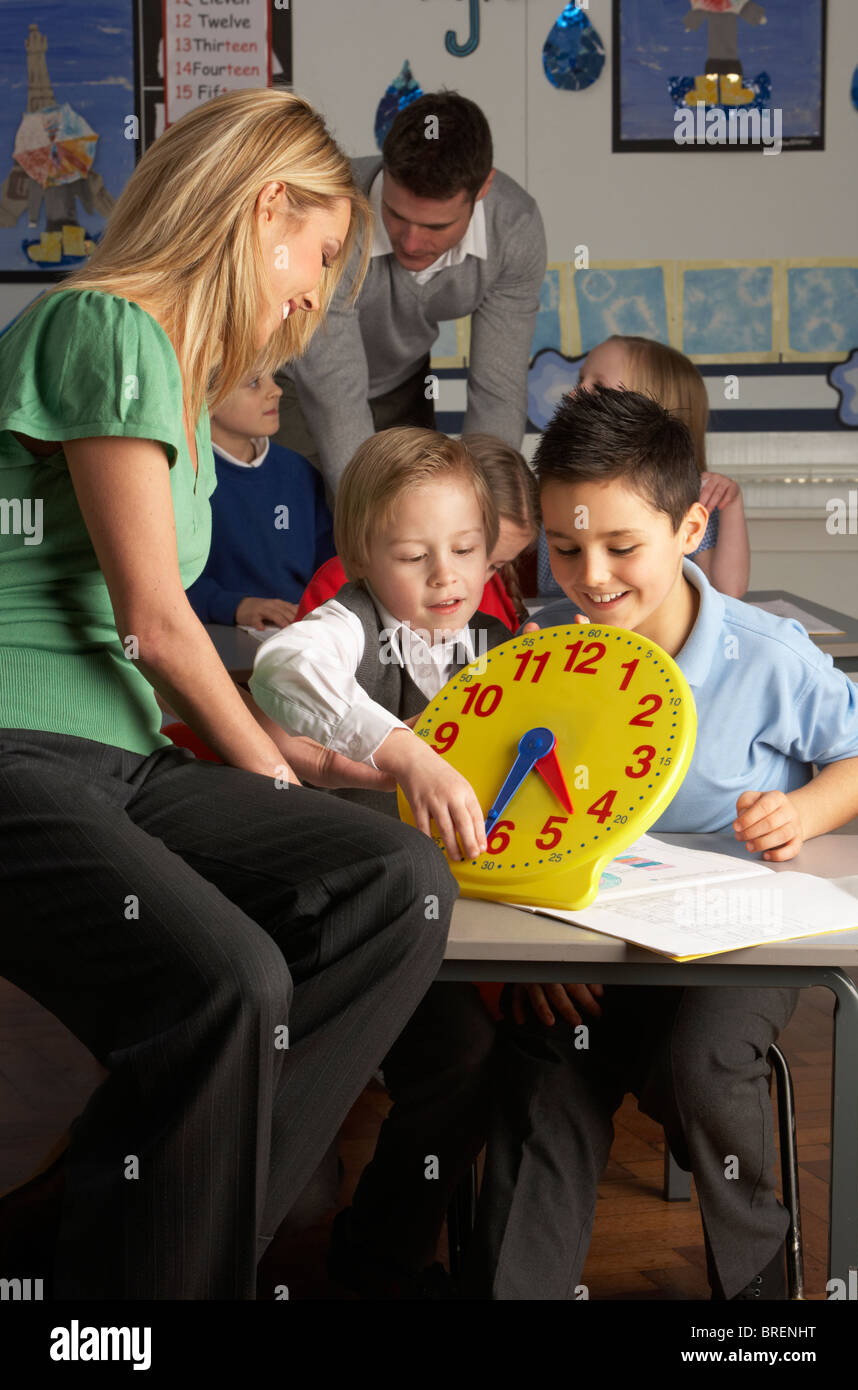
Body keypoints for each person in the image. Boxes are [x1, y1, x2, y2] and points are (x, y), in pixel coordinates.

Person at [0, 88, 458, 1301]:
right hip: (16, 751)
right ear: (265, 208)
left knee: (394, 883)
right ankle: (137, 1270)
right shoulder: (109, 325)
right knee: (228, 982)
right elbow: (155, 625)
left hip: (121, 761)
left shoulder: (182, 399)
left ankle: (118, 1236)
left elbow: (144, 649)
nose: (309, 300)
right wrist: (259, 759)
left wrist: (284, 759)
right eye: (313, 258)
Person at [465, 385, 858, 1301]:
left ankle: (761, 1306)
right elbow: (500, 822)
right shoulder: (542, 663)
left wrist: (803, 814)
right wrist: (536, 944)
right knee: (543, 1077)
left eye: (621, 546)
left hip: (733, 943)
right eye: (564, 550)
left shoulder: (766, 654)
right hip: (587, 944)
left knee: (701, 1068)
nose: (591, 575)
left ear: (690, 530)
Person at [249, 427, 511, 1295]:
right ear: (362, 555)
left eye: (468, 549)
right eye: (413, 555)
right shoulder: (346, 624)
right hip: (333, 939)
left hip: (448, 932)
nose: (447, 577)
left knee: (468, 1065)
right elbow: (282, 666)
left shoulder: (497, 642)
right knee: (288, 1195)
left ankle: (381, 1258)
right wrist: (400, 750)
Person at [274, 92, 547, 499]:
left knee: (427, 510)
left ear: (483, 188)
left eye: (436, 226)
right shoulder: (333, 213)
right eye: (397, 216)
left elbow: (497, 393)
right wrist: (369, 517)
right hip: (293, 377)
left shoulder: (514, 229)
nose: (413, 242)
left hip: (401, 382)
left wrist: (488, 513)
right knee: (318, 517)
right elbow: (336, 391)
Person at [536, 335, 750, 601]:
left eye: (598, 385)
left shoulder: (698, 495)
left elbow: (726, 591)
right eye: (569, 550)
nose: (574, 393)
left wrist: (731, 504)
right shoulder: (562, 481)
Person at [294, 429, 539, 631]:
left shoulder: (492, 600)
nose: (449, 577)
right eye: (415, 556)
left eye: (495, 565)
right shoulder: (337, 598)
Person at [186, 368, 335, 630]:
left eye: (273, 378)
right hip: (214, 631)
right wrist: (234, 606)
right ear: (206, 400)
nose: (276, 391)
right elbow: (164, 581)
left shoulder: (299, 471)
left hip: (301, 632)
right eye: (254, 382)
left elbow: (329, 564)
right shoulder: (183, 476)